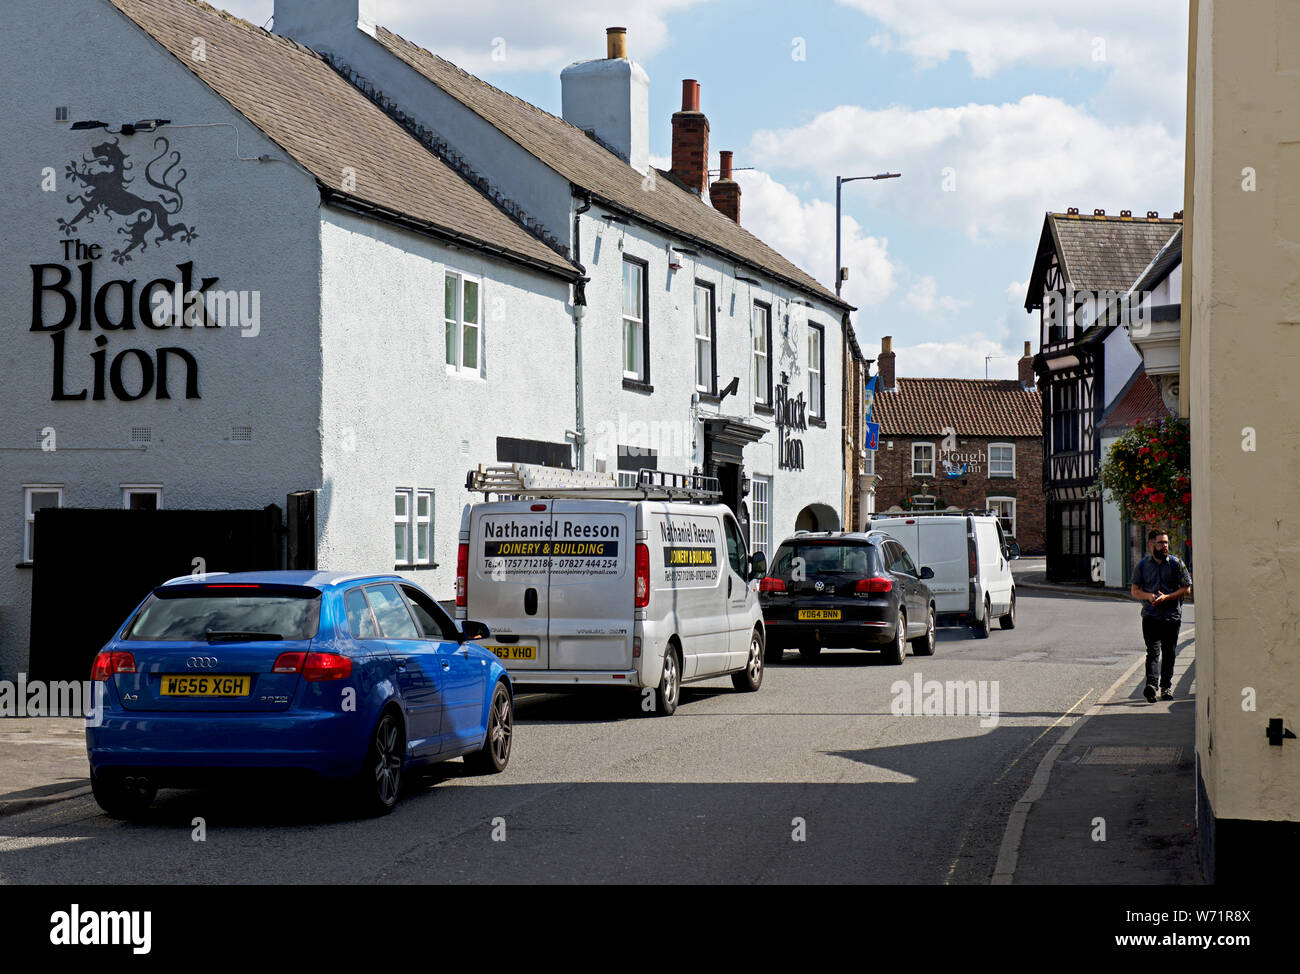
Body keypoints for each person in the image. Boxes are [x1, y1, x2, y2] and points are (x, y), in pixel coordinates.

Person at [1129, 528, 1193, 702]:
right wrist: (1148, 596)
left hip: (1171, 616)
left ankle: (1166, 687)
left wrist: (1168, 597)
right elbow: (1135, 591)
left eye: (1166, 542)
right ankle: (1151, 685)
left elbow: (1187, 588)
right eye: (1160, 542)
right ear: (1151, 545)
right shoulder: (1142, 565)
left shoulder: (1177, 564)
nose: (1164, 546)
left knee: (1169, 652)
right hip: (1150, 615)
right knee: (1152, 652)